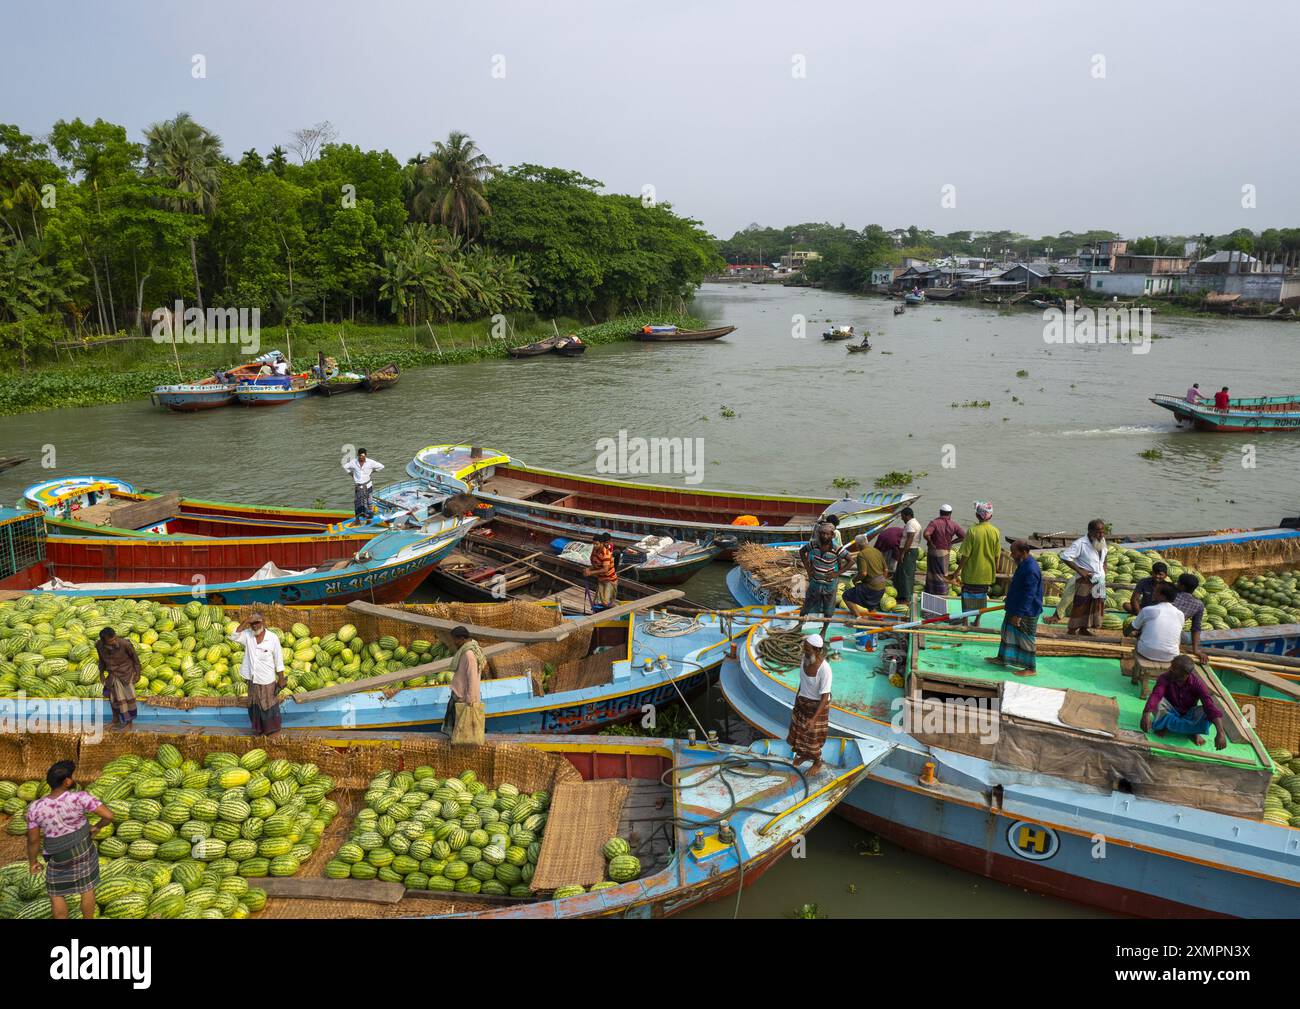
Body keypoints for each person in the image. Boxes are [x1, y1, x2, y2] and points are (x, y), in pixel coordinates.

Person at [26, 760, 115, 920]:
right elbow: (108, 816)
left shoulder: (35, 808)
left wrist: (32, 862)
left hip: (58, 856)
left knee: (56, 893)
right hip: (83, 850)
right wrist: (97, 827)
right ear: (67, 781)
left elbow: (33, 840)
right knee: (87, 888)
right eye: (72, 776)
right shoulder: (80, 798)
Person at [1140, 655, 1229, 749]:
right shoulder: (1165, 677)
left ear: (1185, 674)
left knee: (1208, 711)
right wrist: (1146, 713)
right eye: (1171, 667)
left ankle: (1194, 731)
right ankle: (1163, 726)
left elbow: (1209, 705)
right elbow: (1156, 694)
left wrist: (1220, 733)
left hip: (1188, 713)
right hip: (1170, 711)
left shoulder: (1198, 684)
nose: (1170, 669)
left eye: (1174, 669)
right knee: (1156, 702)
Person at [986, 540, 1042, 675]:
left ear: (1023, 552)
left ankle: (1030, 668)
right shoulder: (1023, 564)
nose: (1011, 555)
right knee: (1007, 632)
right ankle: (1003, 658)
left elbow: (1029, 594)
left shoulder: (1030, 569)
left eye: (1013, 552)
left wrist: (1019, 614)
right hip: (1014, 606)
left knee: (1026, 638)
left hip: (1026, 610)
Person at [232, 612, 287, 735]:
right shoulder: (248, 635)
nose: (255, 626)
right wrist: (246, 621)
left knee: (268, 705)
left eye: (257, 622)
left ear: (263, 622)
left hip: (267, 678)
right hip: (252, 677)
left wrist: (281, 678)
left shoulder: (272, 638)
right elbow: (234, 636)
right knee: (254, 704)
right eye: (252, 624)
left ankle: (272, 730)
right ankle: (258, 729)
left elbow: (278, 660)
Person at [949, 502, 1001, 626]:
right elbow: (997, 555)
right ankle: (977, 621)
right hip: (987, 573)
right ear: (991, 516)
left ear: (977, 516)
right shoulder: (995, 531)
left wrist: (957, 572)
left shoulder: (972, 531)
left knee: (967, 597)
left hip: (972, 572)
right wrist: (995, 569)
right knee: (981, 598)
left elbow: (965, 554)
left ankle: (965, 622)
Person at [786, 634, 832, 774]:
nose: (804, 651)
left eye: (807, 649)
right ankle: (805, 755)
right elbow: (802, 683)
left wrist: (814, 719)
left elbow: (825, 697)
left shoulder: (825, 669)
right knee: (799, 733)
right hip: (802, 703)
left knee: (813, 739)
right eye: (804, 648)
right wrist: (796, 701)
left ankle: (817, 762)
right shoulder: (804, 660)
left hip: (817, 707)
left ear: (817, 650)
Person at [798, 521, 851, 636]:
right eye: (822, 533)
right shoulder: (814, 544)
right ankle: (799, 626)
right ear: (819, 533)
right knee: (806, 606)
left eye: (827, 534)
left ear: (832, 535)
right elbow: (802, 552)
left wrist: (837, 573)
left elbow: (851, 560)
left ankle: (824, 630)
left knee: (828, 609)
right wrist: (808, 569)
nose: (824, 536)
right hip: (815, 582)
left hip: (829, 585)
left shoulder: (837, 548)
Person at [1059, 519, 1108, 636]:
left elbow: (1105, 556)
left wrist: (1105, 569)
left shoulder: (1102, 541)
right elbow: (1065, 557)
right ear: (1090, 531)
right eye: (1098, 532)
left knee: (1095, 605)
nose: (1101, 535)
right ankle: (1072, 630)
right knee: (1081, 605)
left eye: (1103, 532)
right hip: (1086, 580)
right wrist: (1080, 571)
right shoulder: (1080, 543)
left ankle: (1084, 628)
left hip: (1099, 579)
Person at [1124, 581, 1184, 677]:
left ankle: (1137, 674)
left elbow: (1128, 631)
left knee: (1140, 634)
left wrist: (1134, 633)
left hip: (1147, 652)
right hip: (1172, 655)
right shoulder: (1180, 614)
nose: (1153, 592)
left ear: (1162, 596)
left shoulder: (1148, 610)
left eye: (1156, 591)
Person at [444, 625, 486, 740]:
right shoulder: (467, 650)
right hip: (459, 694)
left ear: (462, 639)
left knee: (459, 729)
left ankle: (459, 748)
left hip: (462, 697)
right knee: (458, 730)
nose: (454, 642)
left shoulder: (469, 655)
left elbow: (472, 679)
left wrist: (470, 700)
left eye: (455, 640)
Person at [95, 626, 140, 729]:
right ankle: (115, 720)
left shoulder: (125, 644)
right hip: (112, 675)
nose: (114, 642)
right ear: (104, 642)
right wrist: (101, 673)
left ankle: (129, 723)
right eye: (111, 641)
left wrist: (137, 674)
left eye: (115, 638)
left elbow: (135, 659)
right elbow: (101, 660)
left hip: (125, 674)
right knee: (112, 698)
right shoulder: (99, 646)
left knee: (129, 699)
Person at [923, 504, 965, 596]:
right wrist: (952, 542)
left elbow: (926, 534)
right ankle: (942, 594)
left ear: (940, 512)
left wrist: (930, 542)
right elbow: (964, 536)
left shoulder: (934, 523)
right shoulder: (954, 524)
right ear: (950, 514)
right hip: (945, 552)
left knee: (932, 573)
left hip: (933, 551)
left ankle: (930, 593)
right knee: (943, 573)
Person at [841, 533, 888, 616]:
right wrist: (880, 581)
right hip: (882, 588)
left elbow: (863, 573)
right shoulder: (877, 551)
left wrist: (853, 581)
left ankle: (858, 618)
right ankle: (874, 619)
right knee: (871, 606)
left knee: (846, 595)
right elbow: (886, 570)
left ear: (857, 545)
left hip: (872, 588)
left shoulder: (861, 554)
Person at [1172, 573, 1208, 662]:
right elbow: (1196, 628)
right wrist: (1196, 650)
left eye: (1178, 583)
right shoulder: (1199, 605)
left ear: (1182, 586)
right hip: (1174, 635)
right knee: (1184, 637)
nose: (1176, 584)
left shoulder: (1171, 595)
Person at [343, 449, 385, 521]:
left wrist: (373, 471)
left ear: (365, 455)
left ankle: (370, 515)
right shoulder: (353, 462)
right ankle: (360, 516)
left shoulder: (370, 462)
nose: (361, 457)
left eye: (363, 456)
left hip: (368, 485)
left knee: (369, 500)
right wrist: (351, 474)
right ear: (358, 455)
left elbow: (381, 466)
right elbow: (345, 466)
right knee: (359, 502)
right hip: (359, 486)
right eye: (360, 456)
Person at [892, 507, 922, 605]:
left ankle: (906, 598)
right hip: (912, 550)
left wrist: (903, 552)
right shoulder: (915, 523)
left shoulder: (911, 524)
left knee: (905, 574)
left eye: (902, 516)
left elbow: (910, 537)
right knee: (905, 573)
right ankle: (902, 595)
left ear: (907, 515)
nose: (902, 518)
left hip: (909, 551)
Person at [584, 532, 619, 610]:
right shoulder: (595, 550)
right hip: (601, 579)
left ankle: (615, 611)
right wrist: (588, 569)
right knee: (598, 602)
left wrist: (590, 572)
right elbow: (595, 564)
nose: (594, 546)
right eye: (594, 544)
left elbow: (605, 569)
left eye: (596, 544)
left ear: (602, 543)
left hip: (610, 580)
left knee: (606, 603)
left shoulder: (606, 554)